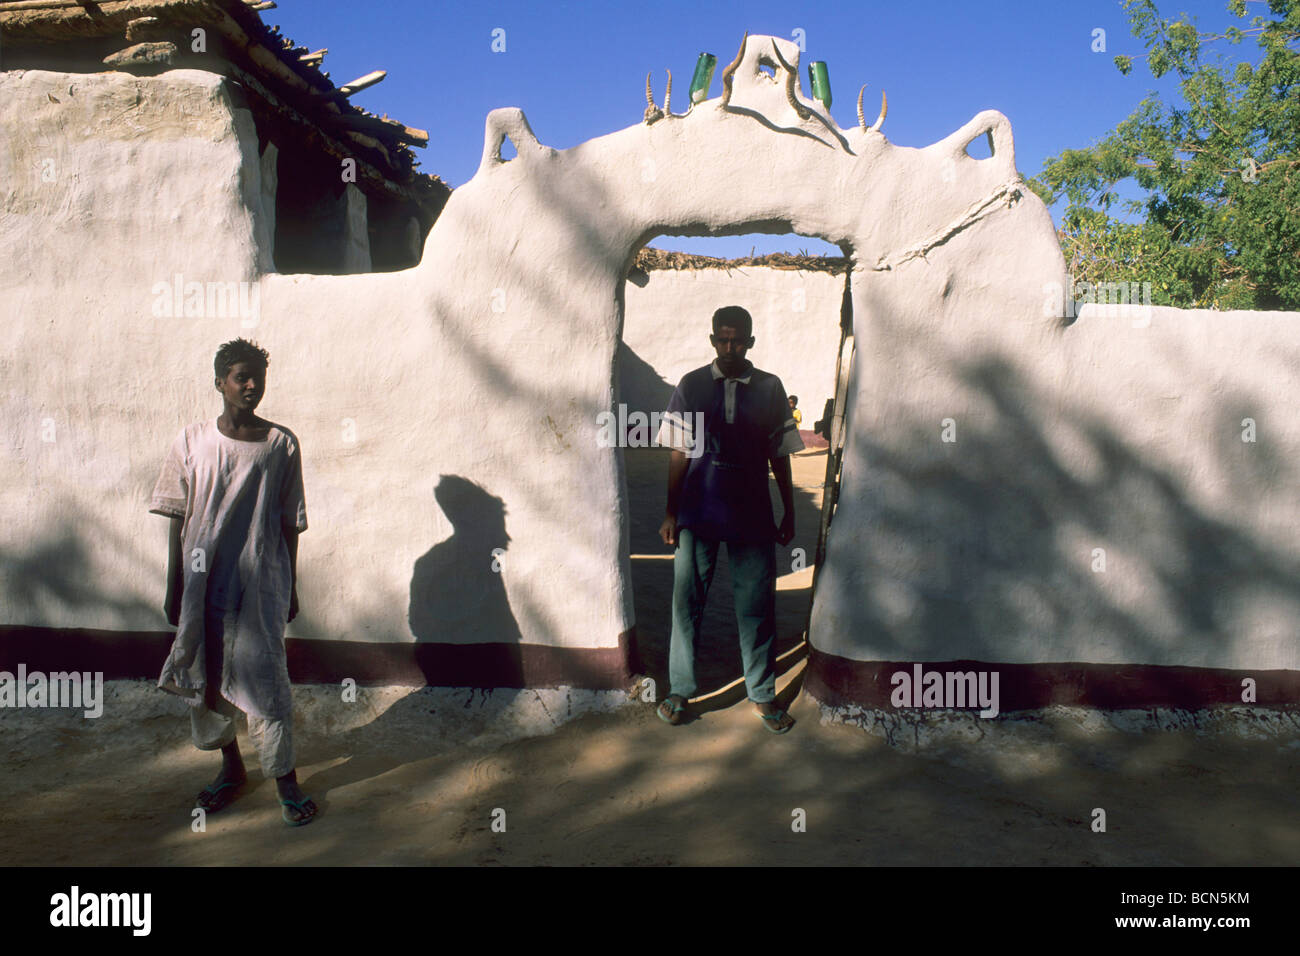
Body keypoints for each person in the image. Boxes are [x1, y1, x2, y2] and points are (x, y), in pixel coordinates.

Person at [149, 338, 317, 826]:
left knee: (266, 676)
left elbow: (290, 520)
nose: (250, 385)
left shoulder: (281, 444)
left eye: (257, 377)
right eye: (240, 376)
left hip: (261, 578)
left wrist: (291, 583)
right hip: (203, 583)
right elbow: (178, 518)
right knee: (208, 675)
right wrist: (173, 586)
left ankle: (285, 778)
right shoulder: (192, 439)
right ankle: (232, 769)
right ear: (219, 382)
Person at [654, 306, 802, 733]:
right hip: (698, 514)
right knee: (686, 604)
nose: (730, 347)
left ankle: (762, 694)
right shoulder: (692, 386)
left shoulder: (770, 388)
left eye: (738, 340)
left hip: (752, 514)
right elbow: (678, 452)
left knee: (755, 607)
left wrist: (788, 509)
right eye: (723, 339)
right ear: (713, 339)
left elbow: (780, 454)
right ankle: (680, 690)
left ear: (751, 342)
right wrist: (670, 511)